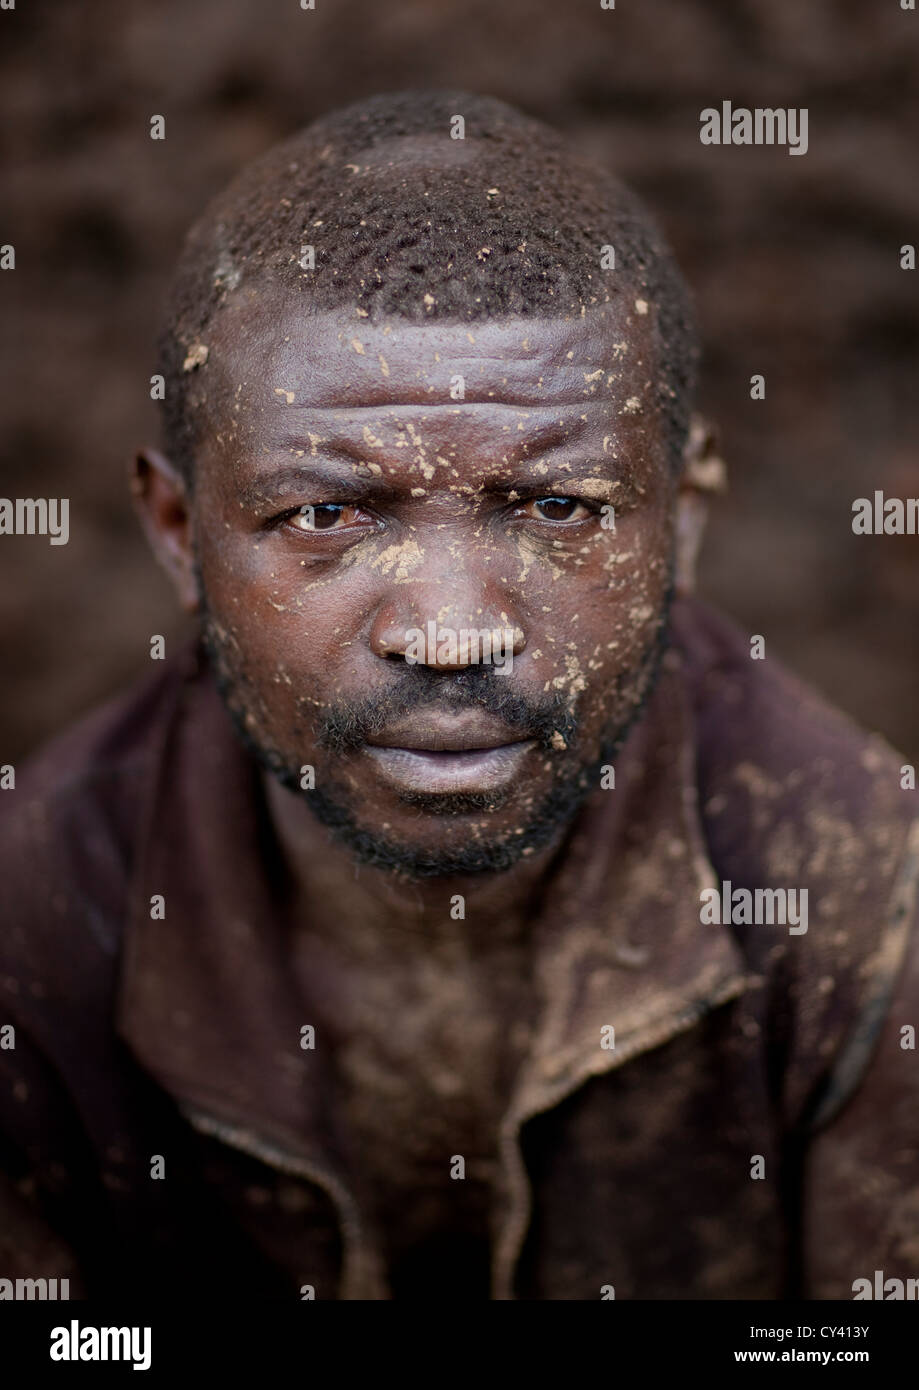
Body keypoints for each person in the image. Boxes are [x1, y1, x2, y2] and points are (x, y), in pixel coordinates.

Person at [1, 90, 916, 1301]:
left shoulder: (861, 894)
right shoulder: (37, 920)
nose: (448, 633)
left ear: (681, 521)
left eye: (555, 509)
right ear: (177, 531)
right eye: (326, 514)